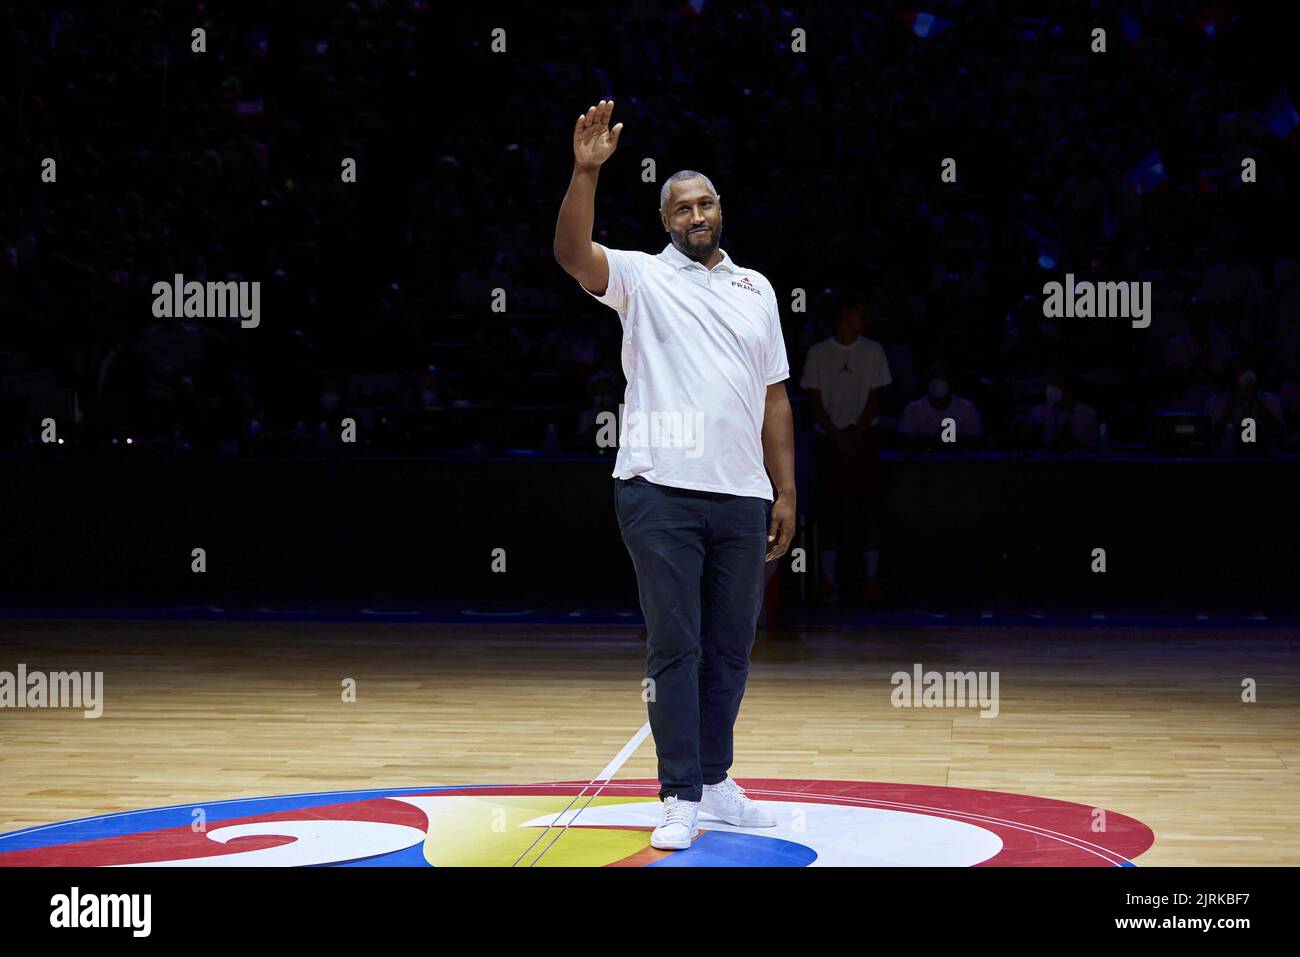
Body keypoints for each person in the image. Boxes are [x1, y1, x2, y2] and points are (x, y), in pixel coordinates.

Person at [553, 100, 793, 851]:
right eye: (682, 205)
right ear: (665, 221)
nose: (697, 213)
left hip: (743, 495)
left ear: (721, 209)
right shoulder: (640, 277)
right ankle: (678, 790)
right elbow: (571, 252)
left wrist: (785, 488)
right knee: (675, 646)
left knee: (729, 646)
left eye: (707, 201)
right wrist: (584, 171)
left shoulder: (757, 289)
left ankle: (716, 778)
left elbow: (774, 395)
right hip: (658, 490)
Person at [800, 292, 892, 604]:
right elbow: (813, 397)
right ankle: (826, 580)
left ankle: (871, 579)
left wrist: (857, 434)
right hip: (829, 441)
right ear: (843, 315)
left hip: (865, 439)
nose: (863, 319)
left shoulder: (874, 351)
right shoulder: (818, 353)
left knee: (867, 511)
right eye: (858, 312)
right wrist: (837, 435)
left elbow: (875, 396)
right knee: (830, 511)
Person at [898, 361, 984, 450]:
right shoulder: (913, 409)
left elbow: (976, 442)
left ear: (951, 381)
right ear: (926, 381)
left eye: (943, 377)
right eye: (933, 377)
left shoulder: (968, 409)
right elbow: (904, 441)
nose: (938, 381)